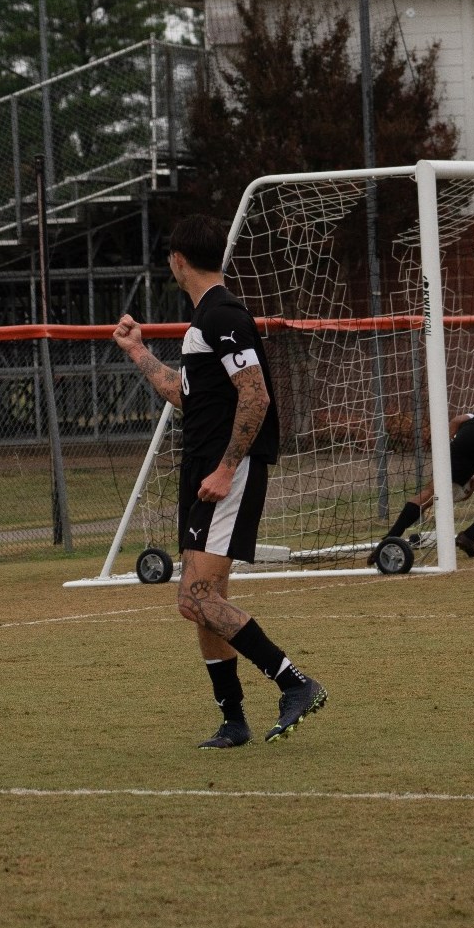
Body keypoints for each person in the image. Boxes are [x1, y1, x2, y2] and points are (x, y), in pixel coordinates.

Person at [112, 214, 326, 750]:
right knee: (208, 600)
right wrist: (138, 352)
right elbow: (187, 396)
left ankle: (293, 682)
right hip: (203, 472)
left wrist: (228, 467)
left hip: (226, 473)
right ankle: (233, 721)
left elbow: (256, 396)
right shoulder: (202, 323)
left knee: (195, 597)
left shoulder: (224, 316)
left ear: (178, 261)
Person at [374, 406, 474, 560]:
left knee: (431, 492)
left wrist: (446, 454)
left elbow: (457, 421)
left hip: (466, 436)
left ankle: (389, 540)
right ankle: (469, 536)